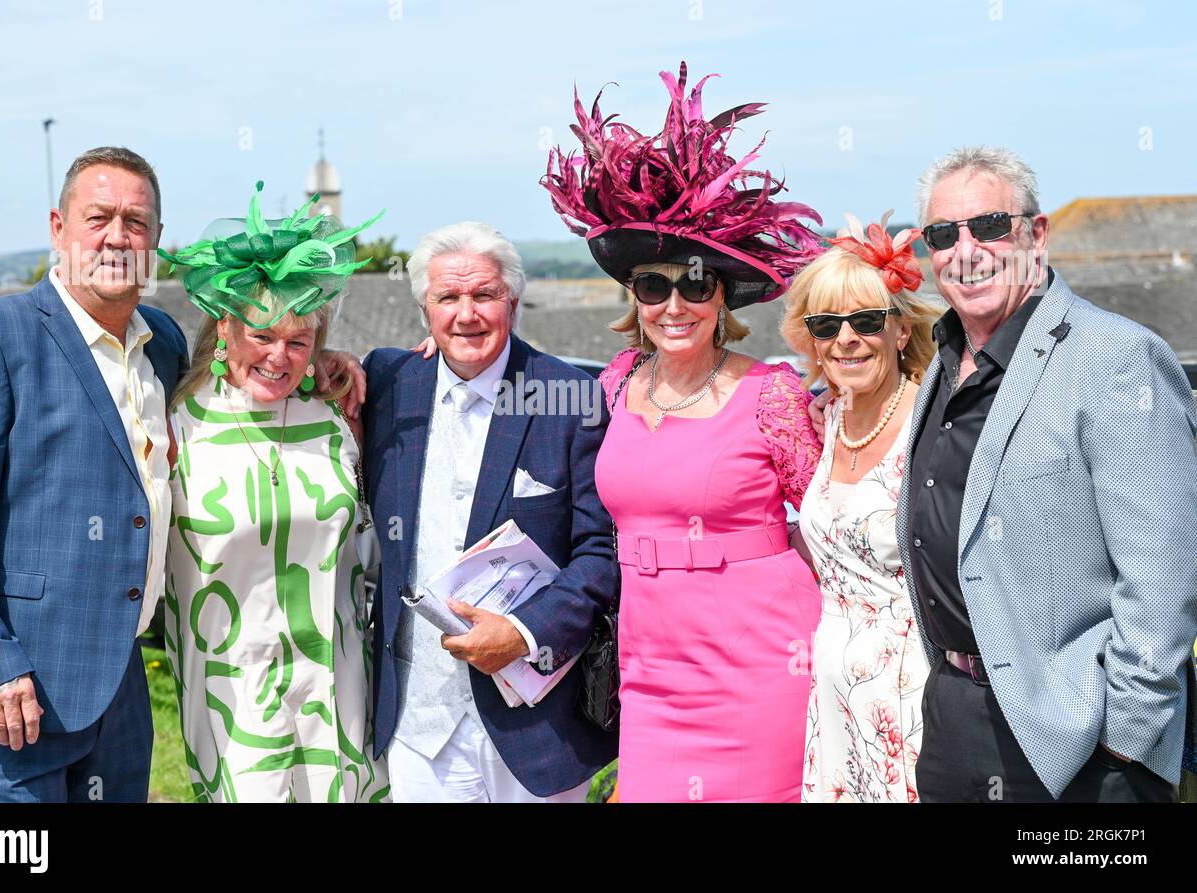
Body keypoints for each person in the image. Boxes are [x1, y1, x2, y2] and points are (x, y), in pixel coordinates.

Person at [543, 62, 825, 802]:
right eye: (654, 285)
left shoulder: (773, 395)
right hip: (650, 670)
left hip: (761, 666)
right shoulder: (610, 386)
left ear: (723, 297)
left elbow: (832, 522)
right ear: (634, 297)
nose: (675, 302)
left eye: (696, 283)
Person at [899, 145, 1197, 802]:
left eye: (990, 226)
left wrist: (1124, 738)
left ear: (1035, 234)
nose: (966, 250)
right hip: (953, 719)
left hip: (1075, 741)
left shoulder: (1116, 359)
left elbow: (1164, 578)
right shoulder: (943, 368)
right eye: (944, 235)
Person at [0, 147, 188, 801]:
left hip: (120, 687)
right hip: (13, 692)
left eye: (136, 221)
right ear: (59, 228)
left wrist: (339, 367)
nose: (118, 235)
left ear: (157, 241)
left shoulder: (164, 343)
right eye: (99, 217)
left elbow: (253, 370)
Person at [361, 221, 619, 803]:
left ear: (514, 301)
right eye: (447, 298)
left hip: (536, 724)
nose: (466, 314)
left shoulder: (569, 395)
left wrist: (526, 633)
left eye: (484, 295)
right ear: (424, 309)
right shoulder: (387, 382)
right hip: (418, 722)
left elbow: (602, 550)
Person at [158, 183, 389, 802]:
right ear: (226, 329)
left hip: (336, 689)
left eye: (298, 340)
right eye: (262, 335)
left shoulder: (335, 417)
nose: (278, 356)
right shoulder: (179, 427)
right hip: (230, 697)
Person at [780, 214, 941, 802]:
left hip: (916, 695)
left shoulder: (933, 424)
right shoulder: (831, 418)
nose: (846, 338)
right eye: (827, 325)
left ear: (901, 331)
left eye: (866, 321)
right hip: (834, 693)